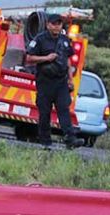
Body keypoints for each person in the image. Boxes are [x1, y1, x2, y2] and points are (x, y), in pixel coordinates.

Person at [25, 13, 83, 148]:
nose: (57, 27)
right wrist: (46, 58)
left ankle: (70, 139)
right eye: (54, 24)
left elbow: (68, 60)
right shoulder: (40, 39)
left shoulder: (65, 40)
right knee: (44, 113)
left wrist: (70, 79)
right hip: (45, 81)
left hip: (61, 81)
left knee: (64, 109)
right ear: (48, 25)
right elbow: (29, 58)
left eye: (59, 24)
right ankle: (45, 142)